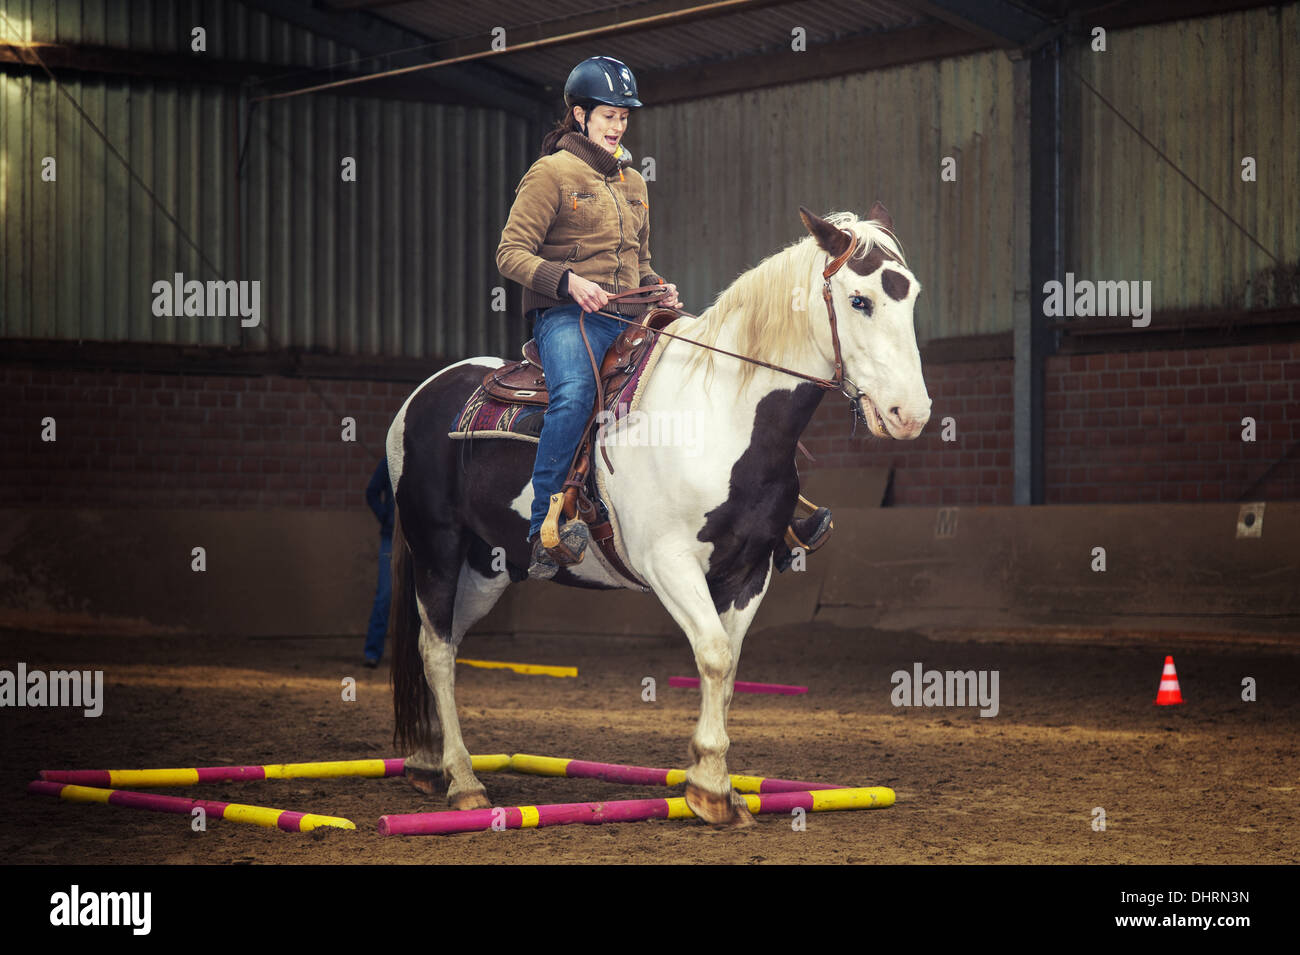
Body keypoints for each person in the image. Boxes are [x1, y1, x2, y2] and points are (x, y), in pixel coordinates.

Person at [496, 56, 832, 580]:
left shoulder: (634, 182)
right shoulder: (551, 173)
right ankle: (546, 526)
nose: (617, 126)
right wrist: (567, 282)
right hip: (569, 317)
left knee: (713, 375)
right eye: (608, 116)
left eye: (624, 117)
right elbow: (510, 253)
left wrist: (659, 287)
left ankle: (779, 509)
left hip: (634, 314)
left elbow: (640, 260)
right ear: (579, 116)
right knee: (575, 395)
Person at [362, 458, 393, 667]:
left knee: (418, 598)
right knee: (385, 594)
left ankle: (419, 654)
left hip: (418, 538)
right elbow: (371, 492)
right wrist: (386, 519)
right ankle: (372, 651)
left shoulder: (425, 457)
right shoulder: (390, 460)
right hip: (391, 538)